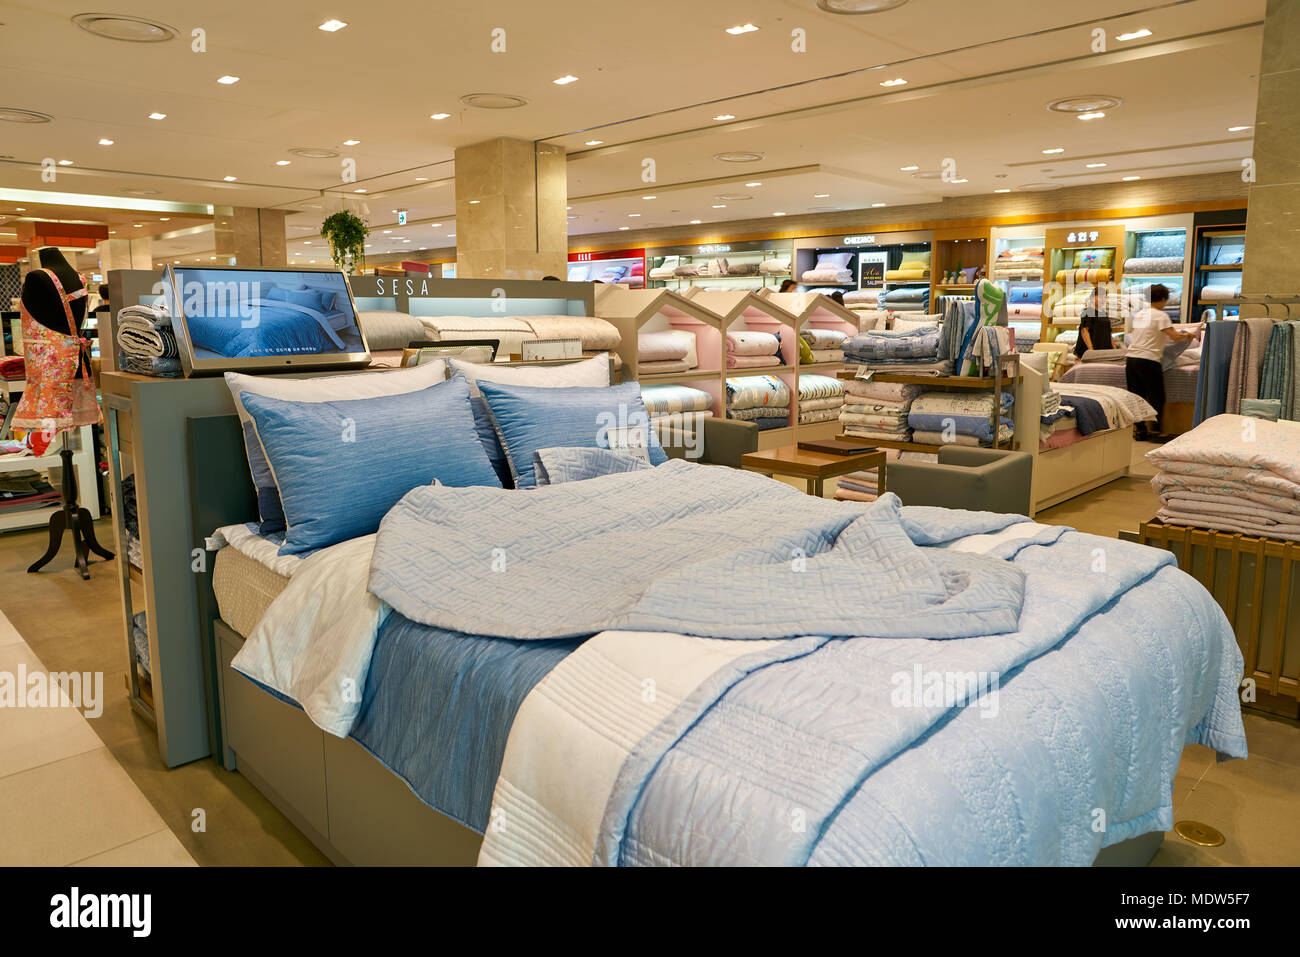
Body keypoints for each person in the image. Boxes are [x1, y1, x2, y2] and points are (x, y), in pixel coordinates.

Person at [1126, 284, 1195, 441]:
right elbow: (1174, 337)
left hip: (1131, 359)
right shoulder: (1161, 316)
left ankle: (1140, 430)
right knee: (1157, 396)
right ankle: (1156, 430)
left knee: (1137, 396)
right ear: (1164, 299)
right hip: (1148, 360)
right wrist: (1188, 335)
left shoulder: (1139, 315)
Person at [1073, 285, 1113, 360]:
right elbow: (1084, 331)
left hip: (1103, 351)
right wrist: (1091, 350)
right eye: (1100, 297)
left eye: (1105, 297)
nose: (1103, 300)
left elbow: (1109, 333)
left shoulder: (1104, 313)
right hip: (1091, 351)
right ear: (1092, 298)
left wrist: (1114, 349)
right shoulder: (1088, 311)